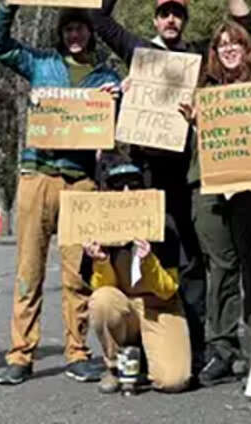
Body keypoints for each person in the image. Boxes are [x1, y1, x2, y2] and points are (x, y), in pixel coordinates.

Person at [97, 0, 251, 381]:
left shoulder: (198, 59)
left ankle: (199, 342)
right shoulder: (140, 52)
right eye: (164, 14)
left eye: (177, 14)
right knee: (147, 253)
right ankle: (140, 346)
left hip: (185, 173)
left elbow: (242, 27)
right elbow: (100, 17)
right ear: (154, 20)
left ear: (184, 20)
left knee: (193, 260)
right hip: (146, 171)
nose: (171, 20)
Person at [0, 0, 122, 386]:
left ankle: (77, 351)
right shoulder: (41, 64)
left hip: (81, 181)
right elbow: (0, 47)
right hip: (38, 175)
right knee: (28, 269)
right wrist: (7, 4)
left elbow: (116, 129)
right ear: (60, 33)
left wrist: (117, 101)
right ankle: (20, 353)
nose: (75, 34)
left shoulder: (105, 77)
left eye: (80, 27)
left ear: (89, 32)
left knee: (76, 272)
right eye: (68, 28)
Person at [185, 20, 251, 385]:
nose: (228, 49)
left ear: (246, 48)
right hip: (207, 183)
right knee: (220, 265)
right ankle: (222, 347)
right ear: (214, 53)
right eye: (221, 45)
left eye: (234, 43)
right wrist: (192, 122)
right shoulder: (203, 90)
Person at [81, 153, 194, 394]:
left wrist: (148, 261)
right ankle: (114, 366)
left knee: (174, 380)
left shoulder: (163, 225)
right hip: (123, 305)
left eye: (133, 185)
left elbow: (168, 289)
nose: (125, 193)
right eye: (116, 186)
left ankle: (148, 357)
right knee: (102, 301)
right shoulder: (99, 228)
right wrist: (101, 261)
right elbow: (101, 288)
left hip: (159, 306)